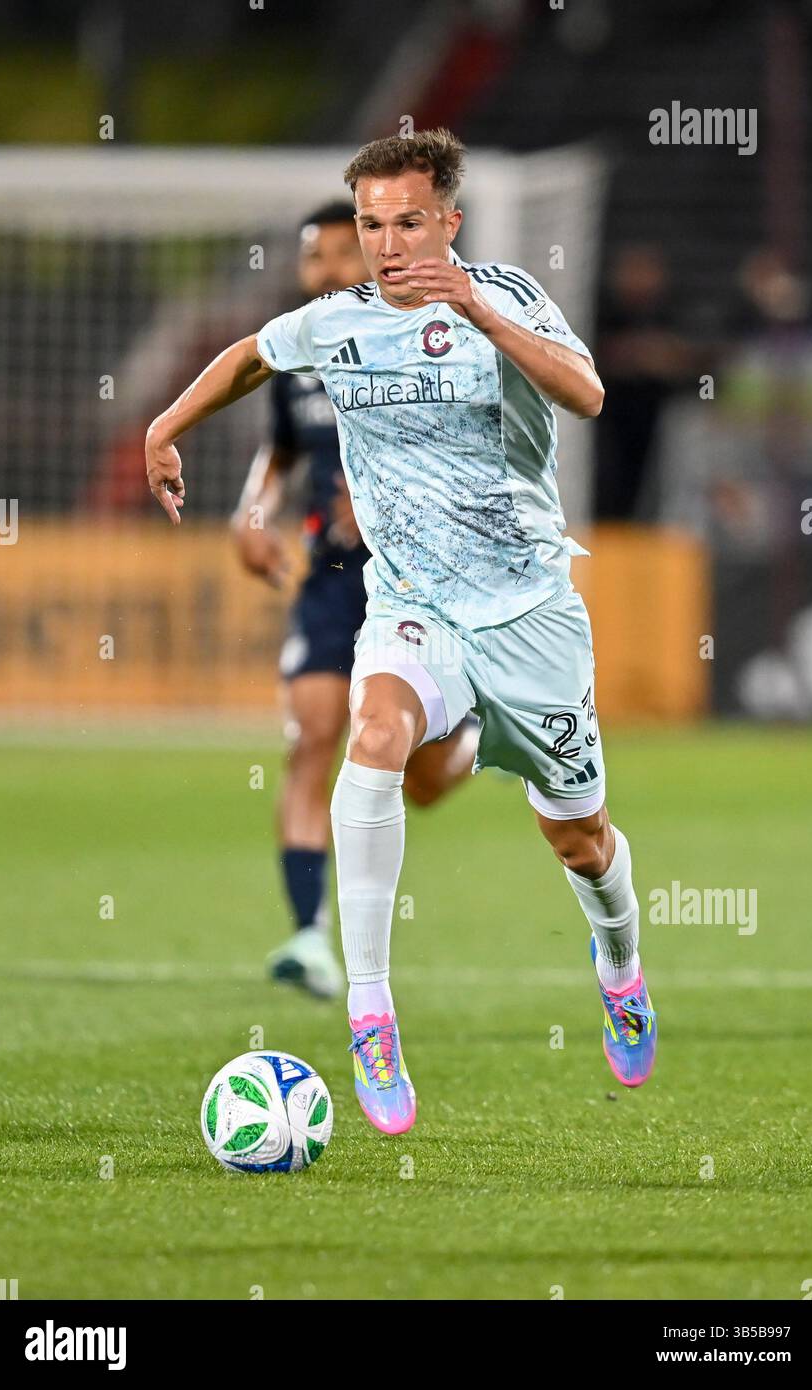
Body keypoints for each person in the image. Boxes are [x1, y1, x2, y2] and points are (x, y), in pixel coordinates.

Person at [145, 129, 657, 1136]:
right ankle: (369, 1011)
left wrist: (477, 312)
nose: (387, 243)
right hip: (411, 604)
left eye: (406, 221)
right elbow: (252, 355)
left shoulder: (503, 293)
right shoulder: (337, 324)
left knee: (578, 836)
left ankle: (619, 964)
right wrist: (165, 426)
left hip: (526, 612)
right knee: (371, 744)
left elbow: (587, 394)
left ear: (448, 222)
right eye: (372, 224)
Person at [231, 202, 477, 1000]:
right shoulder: (300, 355)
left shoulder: (419, 340)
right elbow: (281, 448)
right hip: (334, 586)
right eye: (317, 256)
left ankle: (477, 727)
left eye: (349, 250)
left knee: (421, 780)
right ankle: (308, 937)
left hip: (420, 584)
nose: (332, 267)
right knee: (313, 739)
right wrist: (252, 514)